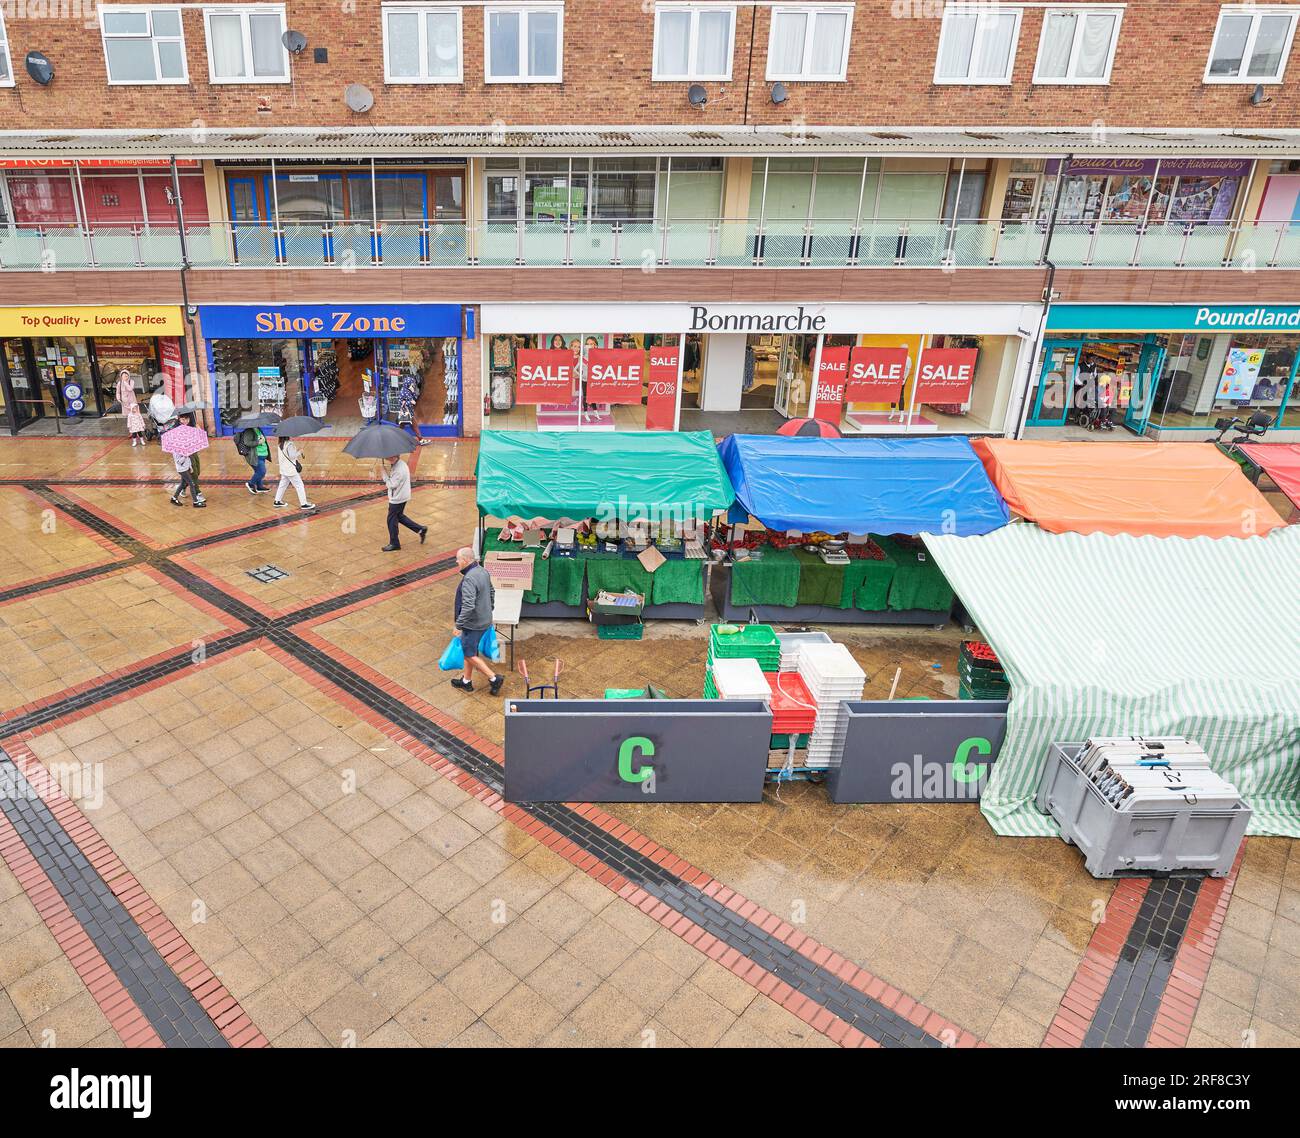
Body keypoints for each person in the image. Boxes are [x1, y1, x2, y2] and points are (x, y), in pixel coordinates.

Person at [450, 547, 503, 695]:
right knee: (469, 649)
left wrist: (459, 625)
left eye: (458, 559)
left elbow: (468, 605)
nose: (456, 561)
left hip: (473, 624)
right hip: (484, 619)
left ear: (466, 560)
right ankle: (466, 681)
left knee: (469, 654)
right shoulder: (482, 571)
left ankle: (494, 678)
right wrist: (489, 608)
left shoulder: (469, 579)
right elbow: (492, 591)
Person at [380, 455, 427, 551]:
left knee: (391, 520)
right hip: (402, 495)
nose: (387, 459)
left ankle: (394, 543)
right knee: (399, 516)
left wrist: (384, 474)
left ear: (394, 457)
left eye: (388, 457)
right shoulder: (400, 464)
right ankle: (420, 529)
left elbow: (392, 485)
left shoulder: (398, 470)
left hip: (397, 498)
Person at [273, 435, 316, 510]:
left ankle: (277, 501)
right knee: (299, 485)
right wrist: (300, 452)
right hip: (291, 470)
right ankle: (304, 504)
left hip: (284, 469)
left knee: (282, 485)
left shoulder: (280, 444)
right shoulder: (289, 444)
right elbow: (292, 456)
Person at [116, 370, 146, 447]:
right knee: (129, 416)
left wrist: (125, 382)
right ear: (121, 376)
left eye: (126, 375)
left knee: (136, 414)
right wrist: (119, 398)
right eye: (123, 375)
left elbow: (130, 389)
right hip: (125, 402)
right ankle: (132, 431)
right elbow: (118, 392)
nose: (125, 377)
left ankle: (139, 428)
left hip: (132, 401)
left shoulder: (131, 381)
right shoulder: (119, 383)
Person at [246, 427, 270, 494]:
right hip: (256, 456)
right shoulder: (249, 431)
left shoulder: (258, 429)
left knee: (258, 471)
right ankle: (250, 483)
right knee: (262, 471)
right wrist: (258, 442)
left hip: (262, 455)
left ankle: (259, 487)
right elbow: (247, 442)